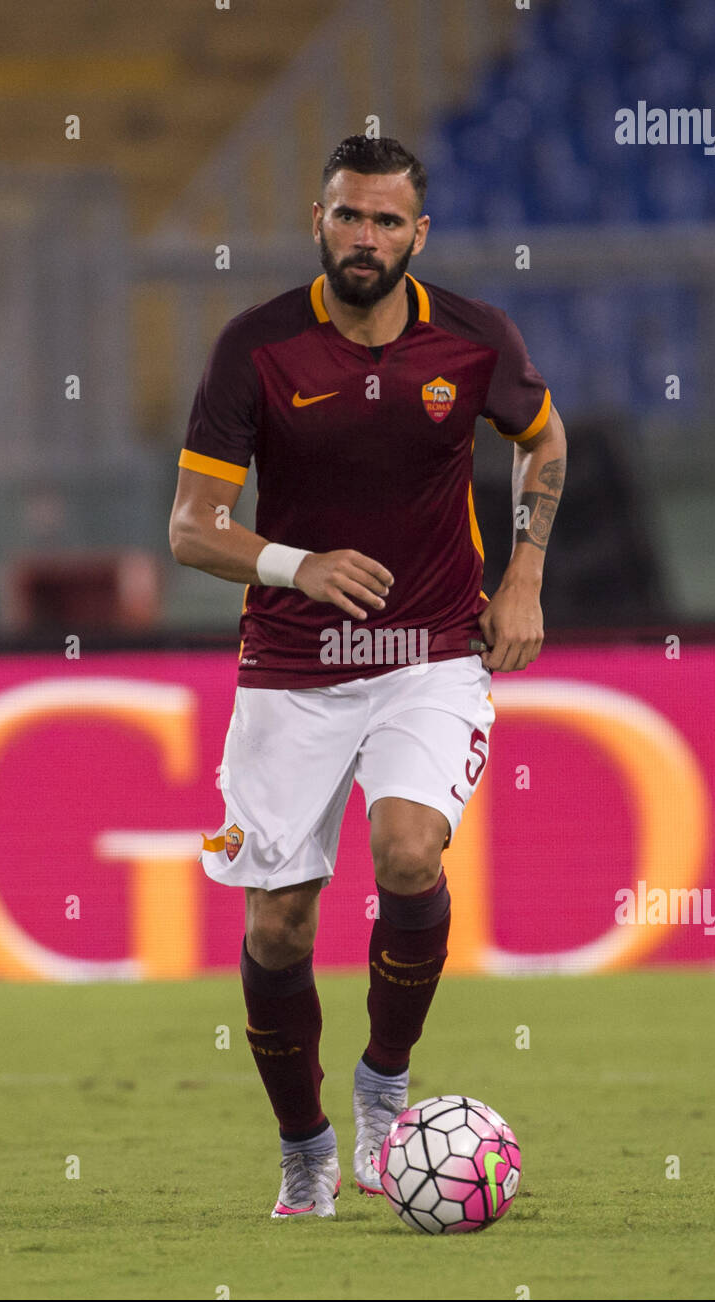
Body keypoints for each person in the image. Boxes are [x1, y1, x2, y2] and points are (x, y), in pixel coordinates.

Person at [169, 135, 566, 1218]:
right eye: (349, 216)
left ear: (416, 235)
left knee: (405, 853)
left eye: (387, 221)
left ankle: (383, 1080)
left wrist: (524, 572)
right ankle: (304, 1149)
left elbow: (543, 439)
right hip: (290, 668)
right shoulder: (255, 351)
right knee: (278, 928)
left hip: (429, 657)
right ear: (318, 218)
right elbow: (190, 530)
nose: (365, 238)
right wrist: (300, 564)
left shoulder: (473, 340)